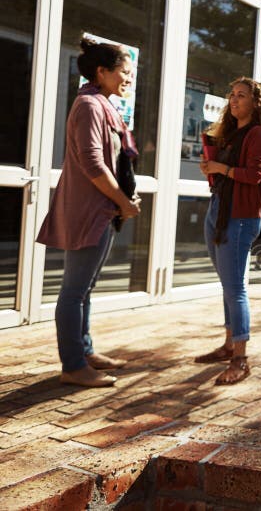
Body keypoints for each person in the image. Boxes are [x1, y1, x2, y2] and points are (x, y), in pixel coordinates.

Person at [37, 38, 142, 388]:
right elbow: (93, 162)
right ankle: (73, 366)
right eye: (124, 71)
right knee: (74, 291)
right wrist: (123, 202)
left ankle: (84, 352)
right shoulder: (89, 106)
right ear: (102, 71)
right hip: (90, 211)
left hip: (102, 211)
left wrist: (122, 200)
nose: (129, 78)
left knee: (86, 287)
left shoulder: (102, 104)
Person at [193, 77, 261, 385]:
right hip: (219, 210)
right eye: (231, 94)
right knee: (227, 284)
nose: (233, 100)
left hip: (240, 218)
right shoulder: (233, 133)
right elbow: (229, 174)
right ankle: (229, 344)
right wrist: (211, 168)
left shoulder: (258, 133)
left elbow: (255, 175)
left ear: (256, 102)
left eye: (241, 95)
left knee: (235, 289)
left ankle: (241, 359)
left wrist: (221, 168)